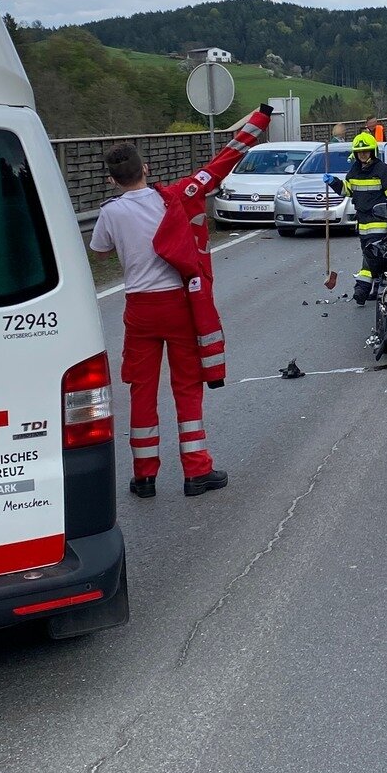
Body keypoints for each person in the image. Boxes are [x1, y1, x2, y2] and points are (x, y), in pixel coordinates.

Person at [89, 107, 270, 497]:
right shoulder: (176, 197)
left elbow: (100, 251)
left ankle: (144, 477)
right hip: (178, 304)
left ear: (111, 180)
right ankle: (196, 471)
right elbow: (222, 162)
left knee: (141, 389)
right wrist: (260, 119)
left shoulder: (110, 213)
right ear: (147, 168)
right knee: (187, 388)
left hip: (139, 309)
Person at [339, 131, 387, 304]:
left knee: (372, 256)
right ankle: (376, 286)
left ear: (372, 152)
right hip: (362, 222)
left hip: (379, 222)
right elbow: (347, 190)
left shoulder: (382, 169)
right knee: (370, 255)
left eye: (366, 152)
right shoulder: (354, 171)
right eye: (360, 152)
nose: (362, 155)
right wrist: (333, 182)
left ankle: (363, 289)